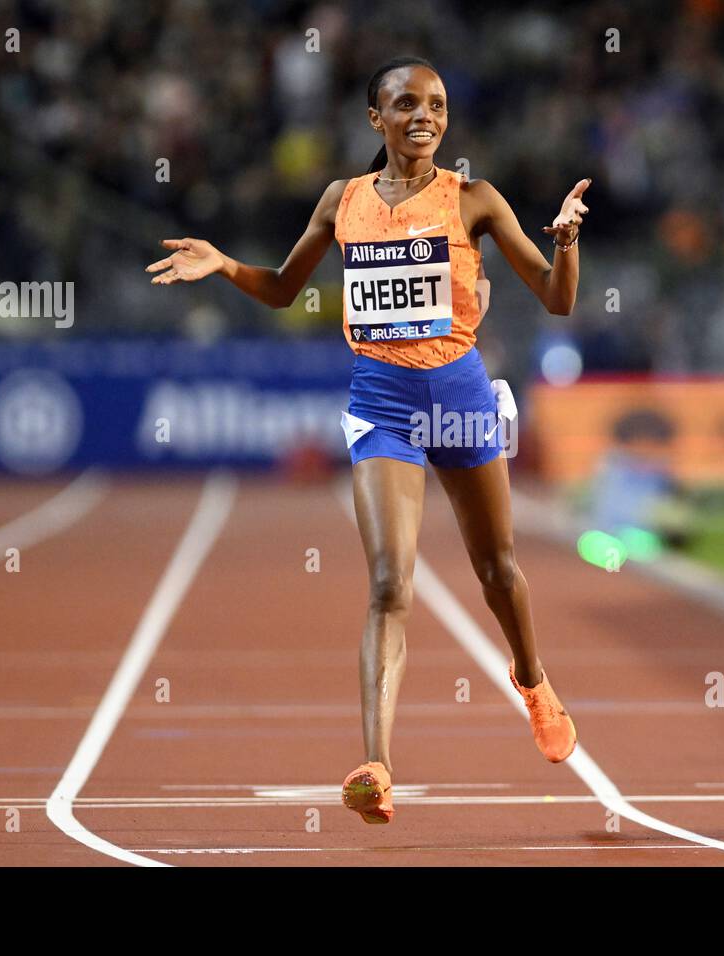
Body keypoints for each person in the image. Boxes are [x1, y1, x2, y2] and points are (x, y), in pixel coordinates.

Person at [147, 55, 590, 825]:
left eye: (438, 104)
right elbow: (285, 289)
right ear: (374, 118)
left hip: (458, 401)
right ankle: (377, 766)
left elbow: (556, 299)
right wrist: (223, 266)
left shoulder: (475, 199)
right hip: (380, 404)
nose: (425, 115)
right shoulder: (341, 201)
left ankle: (530, 677)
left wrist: (569, 242)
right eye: (407, 103)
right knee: (390, 583)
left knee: (497, 568)